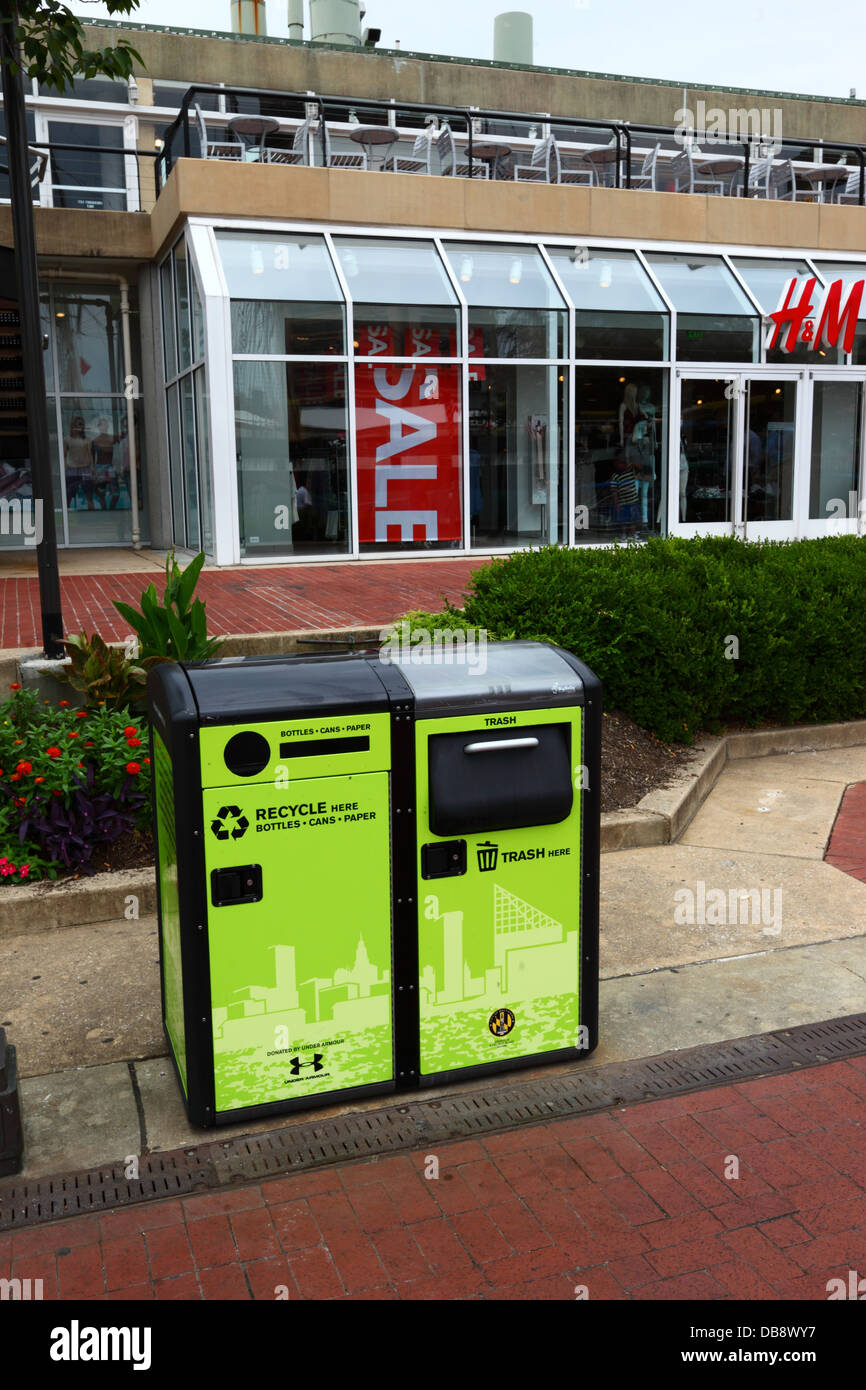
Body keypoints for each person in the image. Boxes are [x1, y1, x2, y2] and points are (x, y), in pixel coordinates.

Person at [91, 416, 126, 511]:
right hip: (100, 468)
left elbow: (123, 437)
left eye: (106, 425)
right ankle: (104, 510)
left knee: (116, 493)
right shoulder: (95, 441)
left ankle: (110, 510)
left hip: (110, 467)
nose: (104, 427)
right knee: (100, 492)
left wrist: (119, 468)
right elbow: (92, 458)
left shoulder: (112, 438)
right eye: (102, 425)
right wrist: (94, 471)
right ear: (99, 427)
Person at [63, 415, 95, 510]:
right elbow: (64, 455)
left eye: (82, 424)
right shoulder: (67, 439)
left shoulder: (87, 439)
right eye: (79, 424)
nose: (80, 426)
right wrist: (64, 468)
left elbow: (90, 454)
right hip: (71, 469)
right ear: (73, 425)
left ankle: (91, 513)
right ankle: (67, 513)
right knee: (69, 493)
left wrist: (92, 467)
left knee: (88, 494)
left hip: (85, 468)